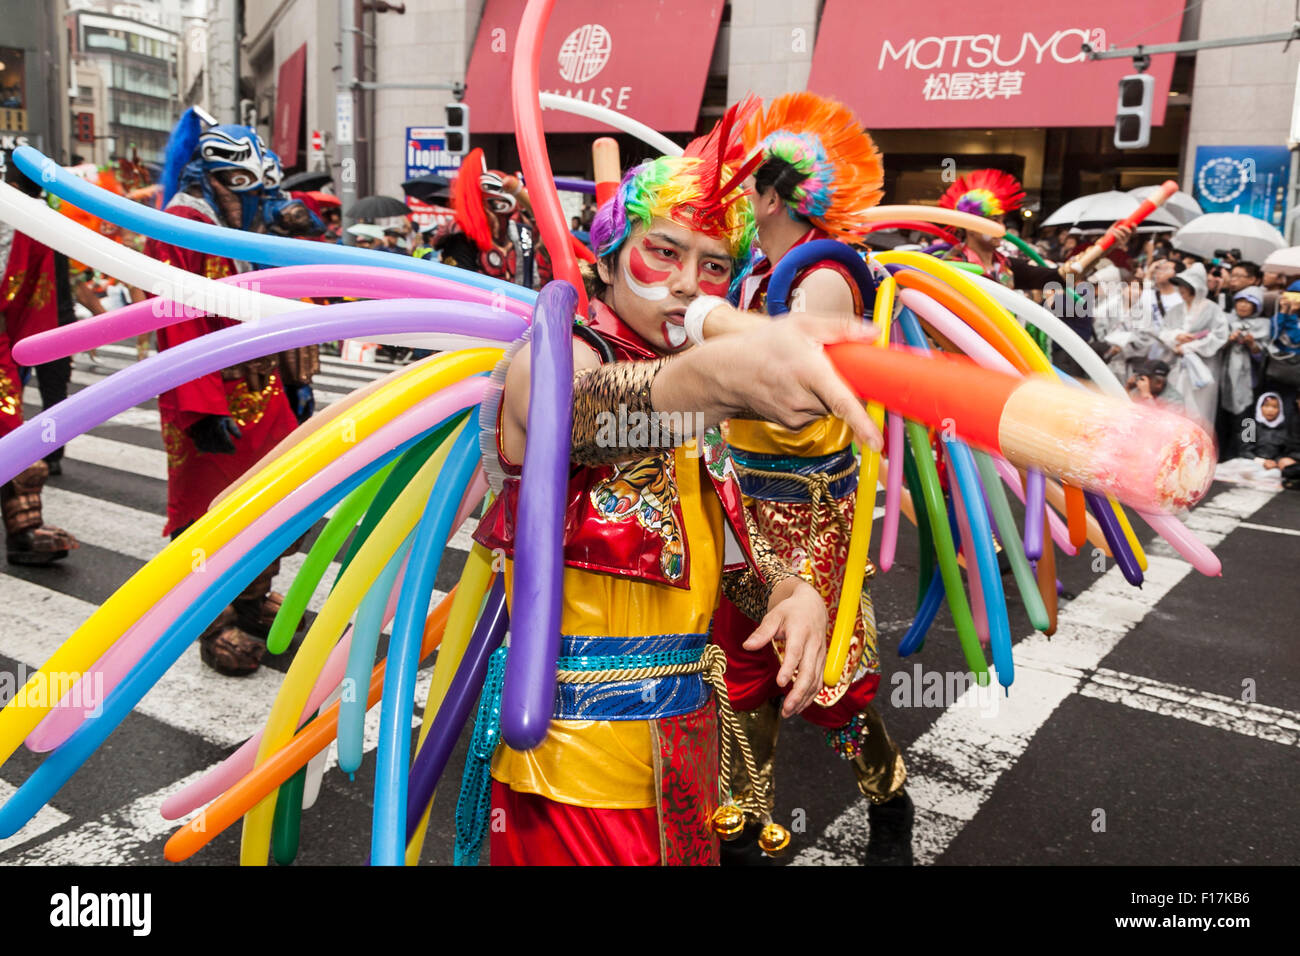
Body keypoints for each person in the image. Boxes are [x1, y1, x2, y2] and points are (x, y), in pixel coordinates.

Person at [466, 123, 883, 866]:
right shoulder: (555, 352)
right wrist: (721, 377)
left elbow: (718, 549)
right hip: (568, 773)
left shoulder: (695, 407)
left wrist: (792, 588)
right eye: (663, 251)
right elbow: (574, 412)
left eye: (715, 265)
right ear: (611, 254)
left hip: (682, 763)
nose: (689, 284)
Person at [691, 92, 911, 865]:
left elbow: (791, 396)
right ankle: (744, 831)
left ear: (775, 195)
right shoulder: (758, 273)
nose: (742, 202)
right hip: (742, 507)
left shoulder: (821, 275)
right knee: (742, 673)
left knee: (830, 689)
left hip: (809, 522)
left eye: (751, 188)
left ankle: (890, 799)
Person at [144, 109, 303, 676]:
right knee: (206, 514)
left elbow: (286, 296)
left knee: (278, 502)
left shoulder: (246, 228)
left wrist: (297, 378)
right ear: (211, 178)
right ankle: (210, 621)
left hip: (265, 391)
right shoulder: (179, 226)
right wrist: (200, 409)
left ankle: (252, 596)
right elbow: (178, 323)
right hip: (209, 395)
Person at [0, 174, 79, 566]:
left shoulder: (19, 216)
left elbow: (34, 293)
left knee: (14, 436)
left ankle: (23, 529)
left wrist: (26, 353)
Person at [1149, 262, 1229, 425]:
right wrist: (1177, 337)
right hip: (1176, 364)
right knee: (1175, 404)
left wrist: (1190, 346)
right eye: (1179, 285)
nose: (1181, 289)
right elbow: (1164, 331)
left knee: (1199, 410)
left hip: (1202, 366)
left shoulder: (1212, 309)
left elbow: (1220, 335)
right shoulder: (1176, 309)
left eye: (1185, 285)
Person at [1217, 287, 1270, 459]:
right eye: (1241, 301)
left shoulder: (1263, 325)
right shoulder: (1224, 320)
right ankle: (1220, 455)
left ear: (1257, 306)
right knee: (1222, 420)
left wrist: (1252, 344)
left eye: (1249, 303)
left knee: (1247, 418)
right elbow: (1214, 348)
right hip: (1224, 379)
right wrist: (1228, 340)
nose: (1244, 306)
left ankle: (1245, 453)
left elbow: (1263, 356)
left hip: (1249, 381)